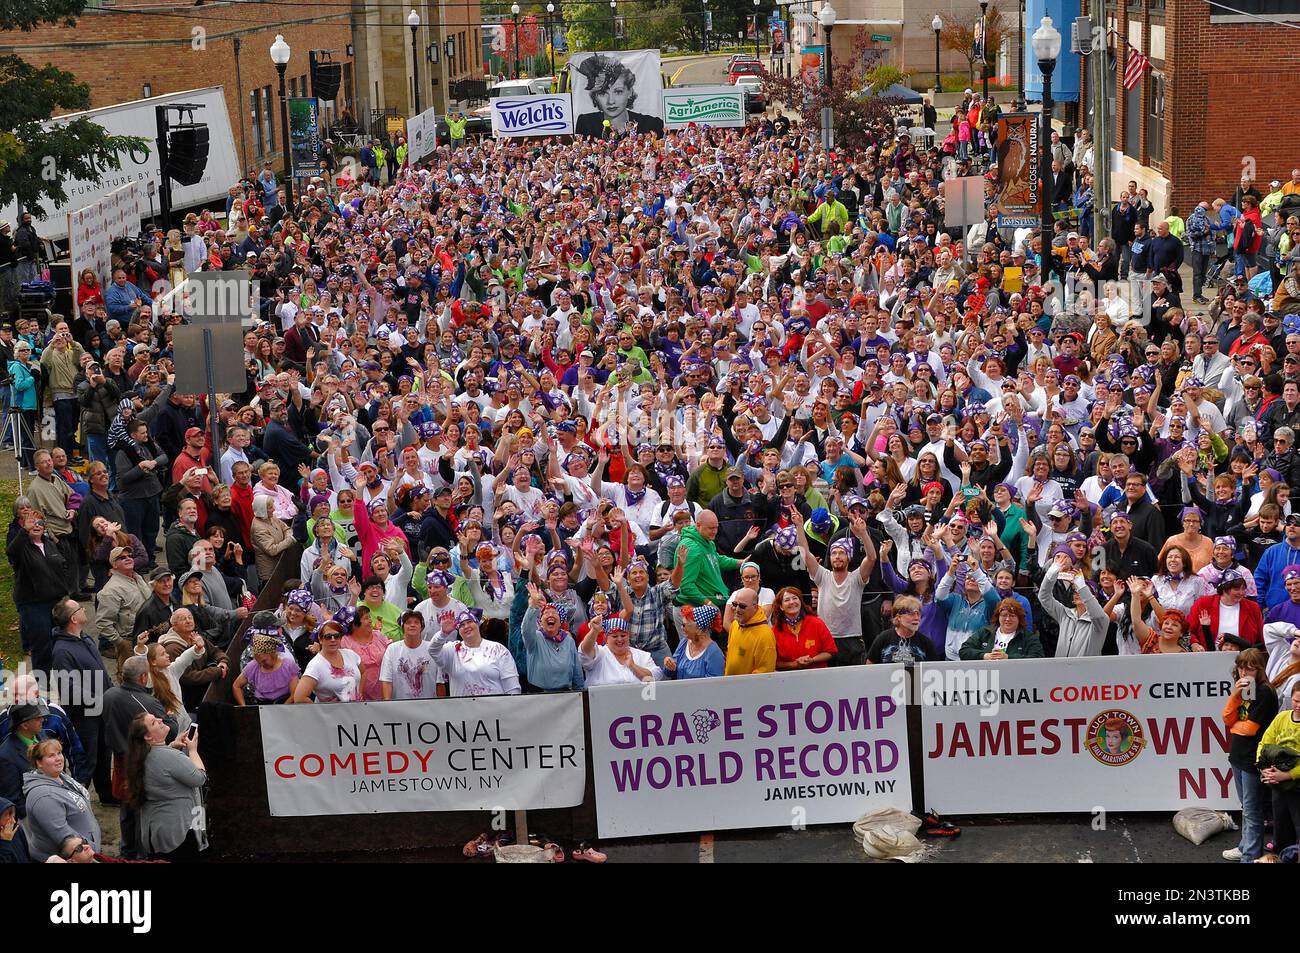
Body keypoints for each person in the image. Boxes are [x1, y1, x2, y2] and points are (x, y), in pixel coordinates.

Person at [123, 712, 207, 861]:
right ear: (148, 737)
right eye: (154, 722)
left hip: (155, 832)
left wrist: (171, 746)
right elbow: (199, 778)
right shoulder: (171, 757)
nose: (160, 720)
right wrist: (193, 750)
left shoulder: (140, 756)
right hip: (178, 834)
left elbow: (160, 763)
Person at [1222, 648, 1277, 862]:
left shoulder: (1264, 691)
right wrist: (1235, 695)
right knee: (1247, 807)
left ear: (1259, 670)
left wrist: (1235, 725)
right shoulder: (1247, 688)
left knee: (1252, 811)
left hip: (1253, 758)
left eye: (1250, 669)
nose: (1244, 673)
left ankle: (1250, 855)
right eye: (1241, 667)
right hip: (1239, 755)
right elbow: (1229, 719)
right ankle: (1246, 846)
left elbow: (1249, 729)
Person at [21, 738, 102, 863]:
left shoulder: (59, 776)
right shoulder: (44, 797)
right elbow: (63, 836)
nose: (59, 758)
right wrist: (89, 847)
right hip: (71, 857)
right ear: (39, 763)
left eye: (59, 753)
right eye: (51, 756)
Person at [573, 55, 664, 137]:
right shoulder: (585, 123)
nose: (611, 101)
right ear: (595, 96)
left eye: (618, 92)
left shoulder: (652, 124)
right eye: (603, 93)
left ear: (630, 92)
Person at [1257, 684, 1300, 857]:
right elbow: (1264, 743)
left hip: (1296, 786)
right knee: (1281, 828)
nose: (1299, 705)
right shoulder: (1282, 717)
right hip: (1278, 784)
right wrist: (1264, 768)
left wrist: (1286, 775)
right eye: (1297, 700)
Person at [293, 620, 363, 703]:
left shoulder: (351, 654)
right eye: (328, 636)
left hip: (356, 711)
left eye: (336, 636)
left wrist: (360, 692)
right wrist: (321, 710)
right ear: (320, 639)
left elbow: (364, 671)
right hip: (331, 714)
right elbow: (299, 698)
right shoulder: (316, 665)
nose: (333, 640)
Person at [770, 587, 836, 670]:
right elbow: (773, 662)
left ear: (800, 602)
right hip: (788, 678)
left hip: (817, 675)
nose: (792, 602)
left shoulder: (817, 623)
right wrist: (794, 664)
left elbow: (830, 651)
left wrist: (812, 660)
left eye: (795, 598)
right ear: (781, 607)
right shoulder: (775, 631)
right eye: (787, 600)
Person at [721, 584, 777, 676]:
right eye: (735, 604)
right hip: (730, 685)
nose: (737, 609)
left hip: (747, 688)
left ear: (755, 607)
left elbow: (764, 673)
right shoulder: (735, 624)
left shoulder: (765, 636)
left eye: (742, 606)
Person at [662, 604, 725, 679]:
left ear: (699, 630)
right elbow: (672, 673)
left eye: (684, 625)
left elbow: (713, 686)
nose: (681, 628)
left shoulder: (714, 653)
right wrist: (669, 664)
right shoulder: (684, 643)